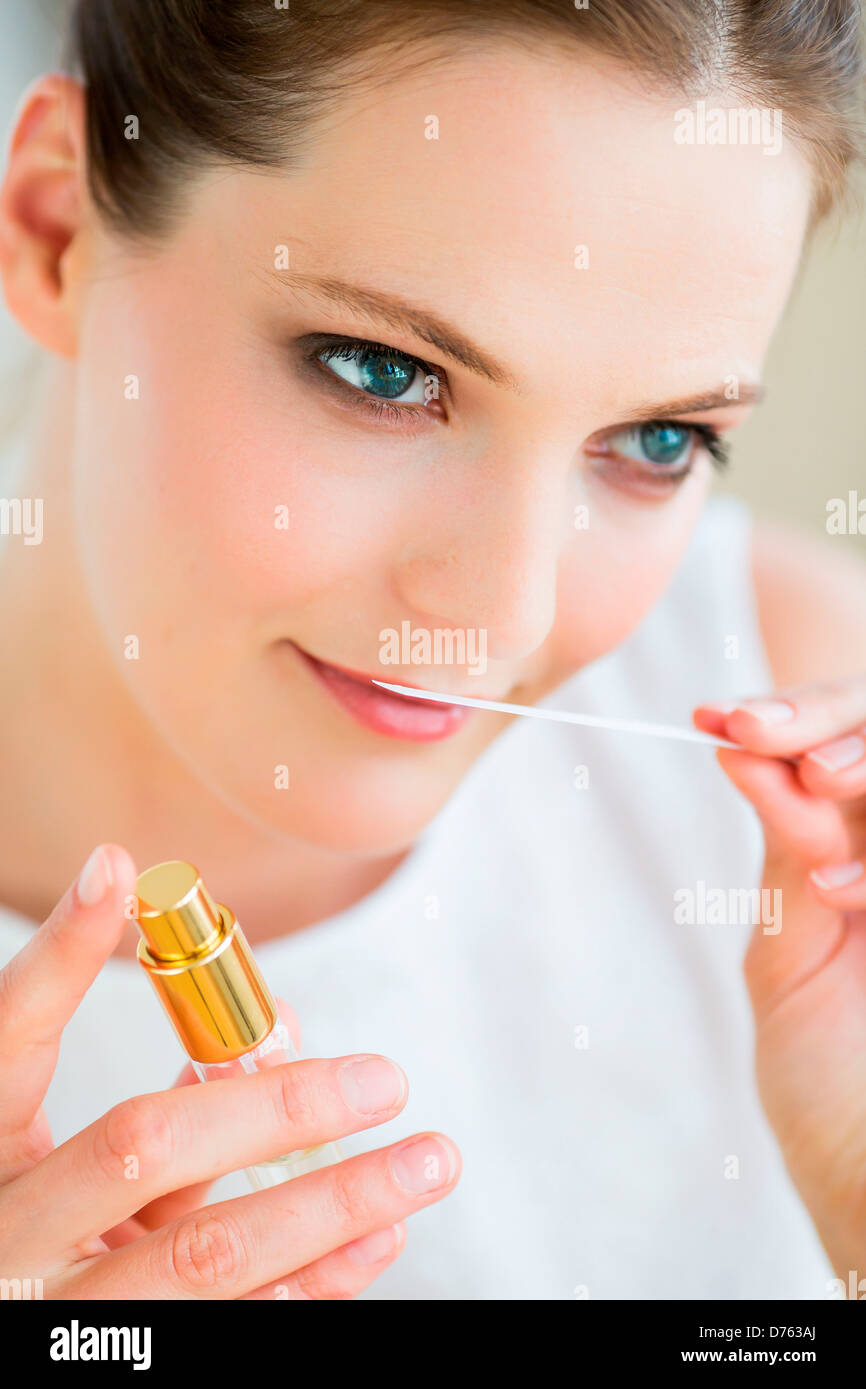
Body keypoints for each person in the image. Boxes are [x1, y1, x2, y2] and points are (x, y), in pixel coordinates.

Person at [0, 0, 864, 1300]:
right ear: (58, 226)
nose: (504, 618)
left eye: (656, 442)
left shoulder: (808, 734)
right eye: (383, 373)